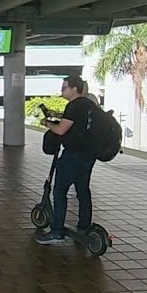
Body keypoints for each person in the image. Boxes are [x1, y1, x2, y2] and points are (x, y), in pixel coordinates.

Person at [39, 74, 98, 245]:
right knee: (83, 192)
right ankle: (83, 226)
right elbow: (75, 122)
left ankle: (57, 232)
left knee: (59, 192)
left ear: (74, 89)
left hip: (72, 155)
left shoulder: (73, 106)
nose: (61, 90)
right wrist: (56, 114)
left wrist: (47, 123)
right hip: (88, 155)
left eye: (64, 87)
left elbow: (60, 130)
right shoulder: (90, 104)